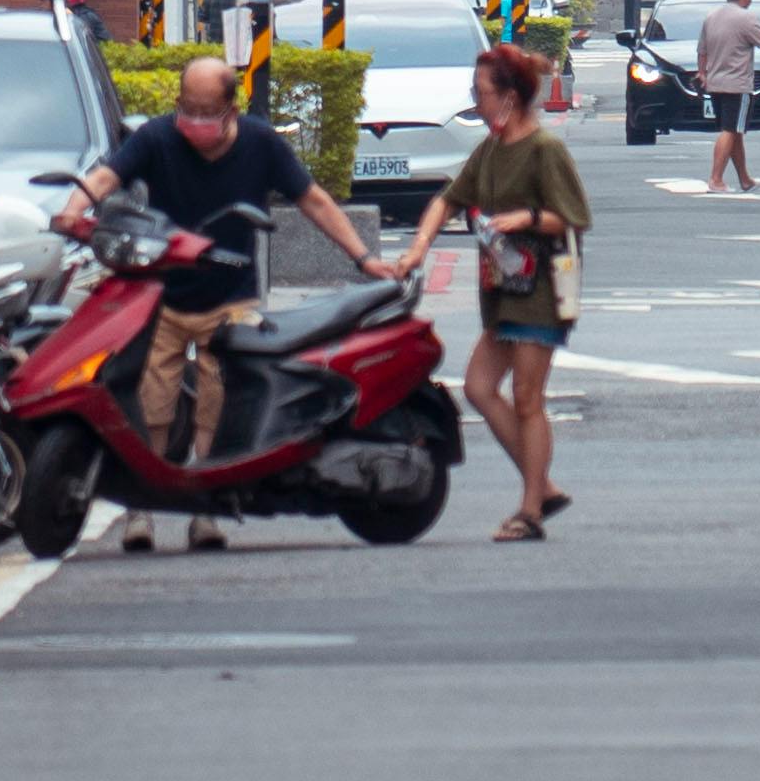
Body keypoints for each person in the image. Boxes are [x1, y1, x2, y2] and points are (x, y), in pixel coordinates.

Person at [78, 56, 396, 552]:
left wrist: (362, 256)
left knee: (218, 403)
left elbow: (312, 200)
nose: (196, 120)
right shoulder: (157, 139)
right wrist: (73, 209)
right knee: (151, 401)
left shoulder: (261, 143)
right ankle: (141, 511)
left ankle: (208, 509)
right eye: (189, 107)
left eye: (208, 110)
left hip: (231, 298)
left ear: (232, 107)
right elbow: (106, 178)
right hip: (162, 295)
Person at [435, 48, 591, 538]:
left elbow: (572, 216)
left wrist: (525, 217)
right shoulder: (490, 149)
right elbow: (449, 199)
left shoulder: (546, 149)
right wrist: (414, 250)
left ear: (507, 97)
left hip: (541, 290)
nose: (475, 103)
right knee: (480, 388)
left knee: (527, 397)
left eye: (480, 94)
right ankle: (541, 485)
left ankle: (530, 510)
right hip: (502, 290)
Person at [687, 0, 760, 191]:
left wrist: (702, 73)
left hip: (715, 83)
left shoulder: (711, 17)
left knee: (734, 131)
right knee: (731, 130)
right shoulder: (747, 18)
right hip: (738, 85)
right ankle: (715, 179)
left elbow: (702, 51)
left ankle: (744, 179)